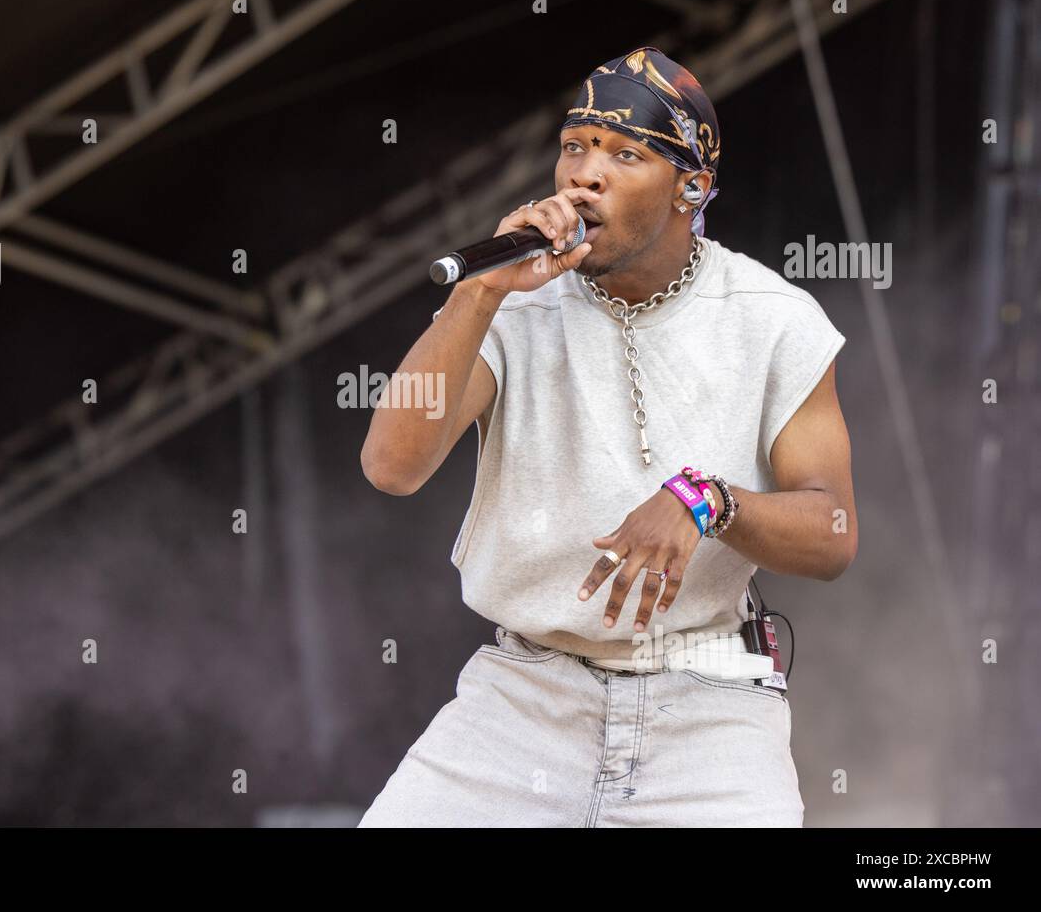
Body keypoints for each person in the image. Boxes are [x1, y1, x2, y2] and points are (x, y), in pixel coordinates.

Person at [357, 47, 858, 827]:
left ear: (691, 187)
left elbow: (831, 534)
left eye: (625, 154)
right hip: (525, 694)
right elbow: (391, 466)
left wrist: (705, 500)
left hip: (710, 708)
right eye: (574, 148)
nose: (583, 174)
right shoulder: (509, 306)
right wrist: (480, 293)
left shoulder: (773, 318)